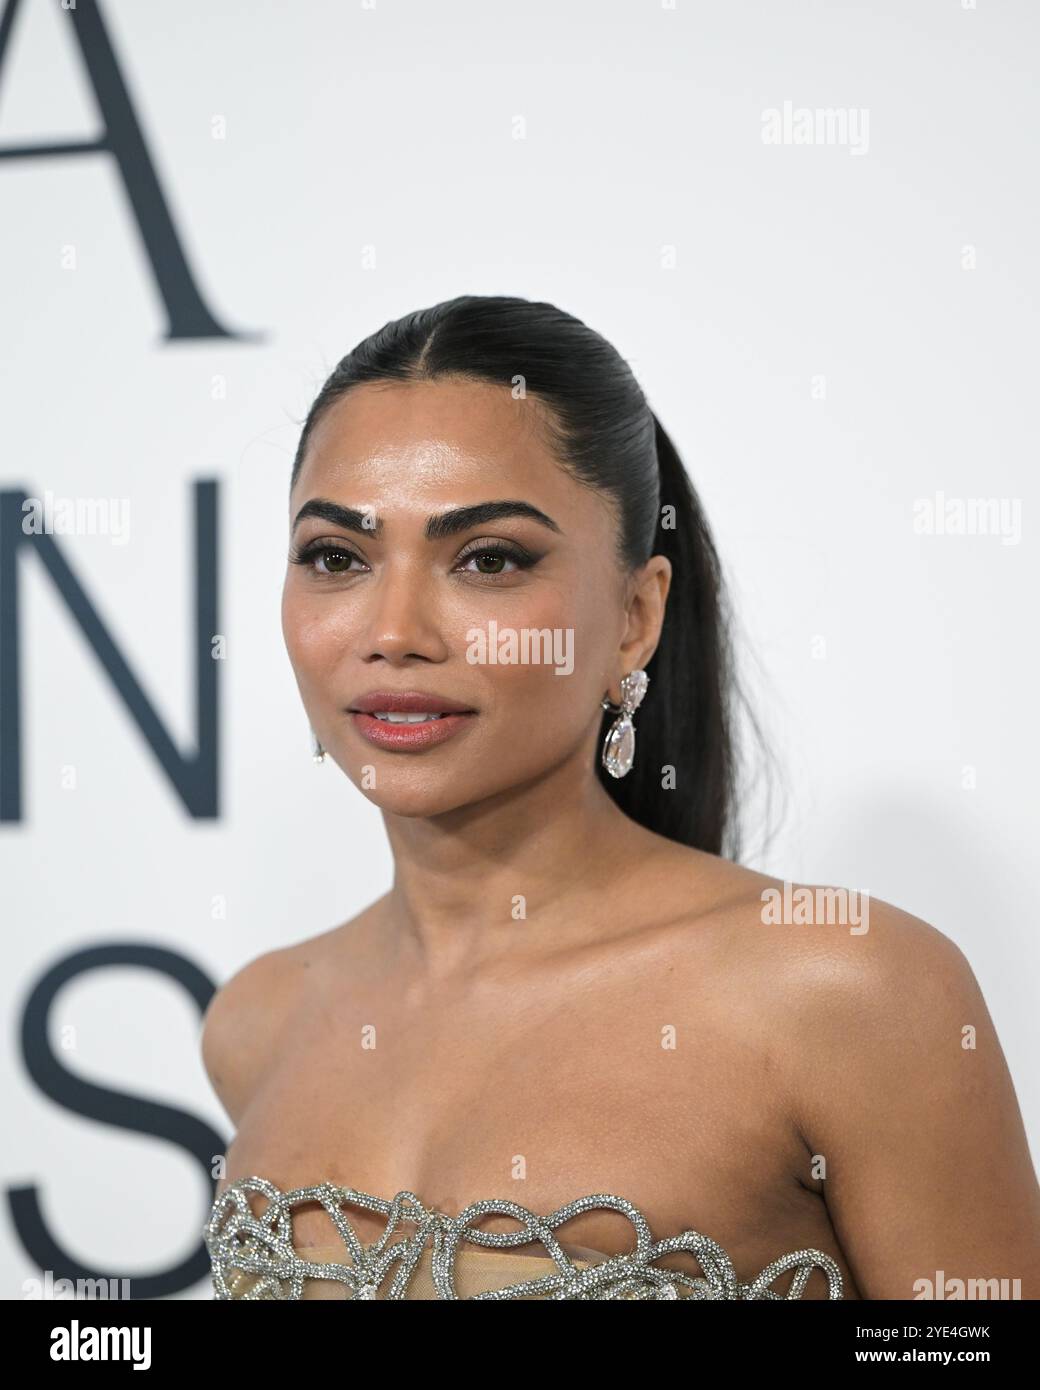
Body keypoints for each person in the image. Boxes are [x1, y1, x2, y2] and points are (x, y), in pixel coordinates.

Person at [200, 294, 1040, 1301]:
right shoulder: (261, 1021)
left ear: (635, 618)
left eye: (488, 559)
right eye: (336, 558)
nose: (394, 630)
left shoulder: (843, 990)